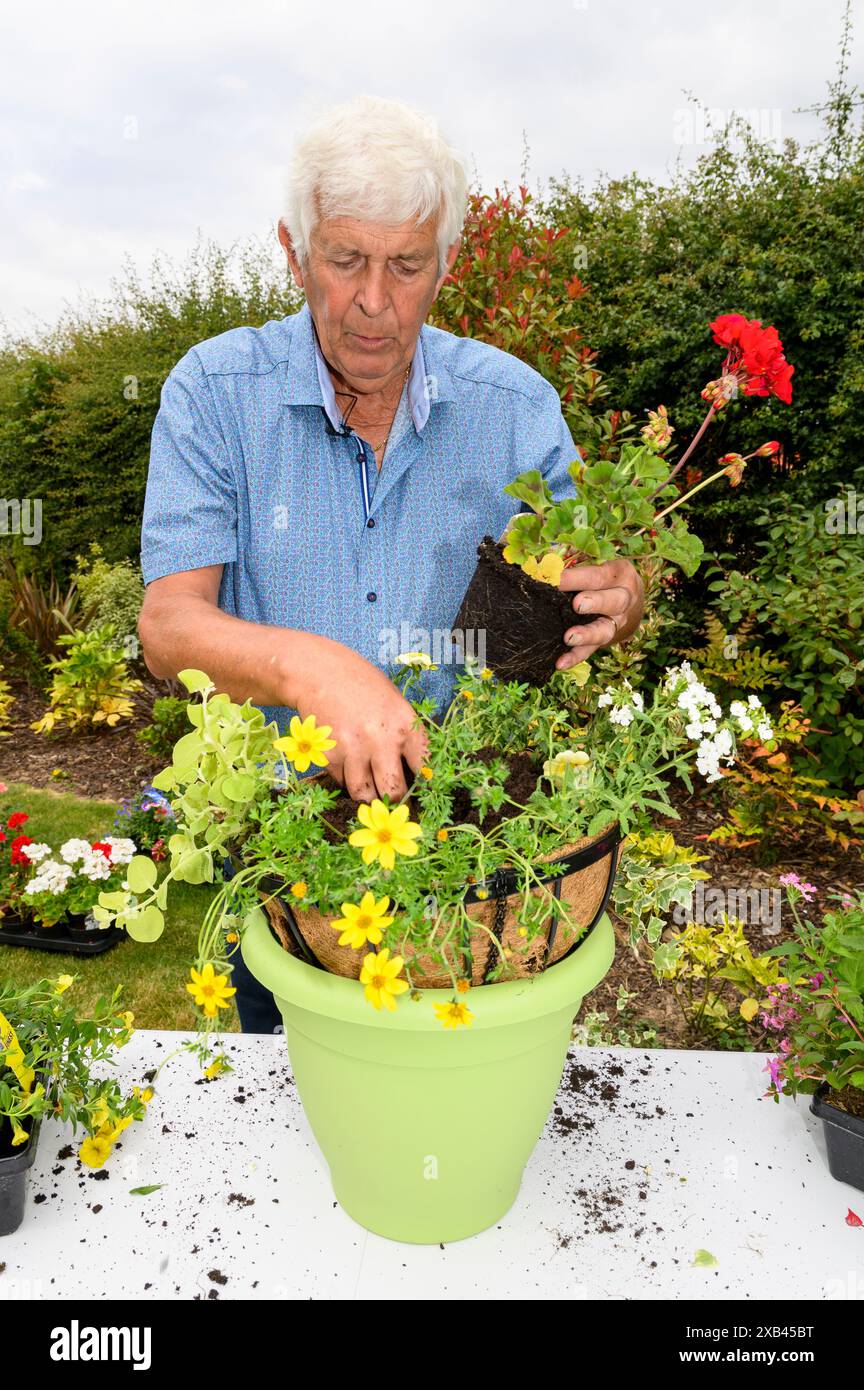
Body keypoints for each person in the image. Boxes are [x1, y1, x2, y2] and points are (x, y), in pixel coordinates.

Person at [138, 95, 645, 1032]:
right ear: (295, 253)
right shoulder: (213, 393)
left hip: (484, 849)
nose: (375, 300)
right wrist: (317, 669)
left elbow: (596, 578)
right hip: (305, 864)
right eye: (346, 261)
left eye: (407, 266)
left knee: (467, 1128)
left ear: (445, 265)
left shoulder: (514, 407)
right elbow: (170, 626)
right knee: (298, 1134)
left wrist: (623, 594)